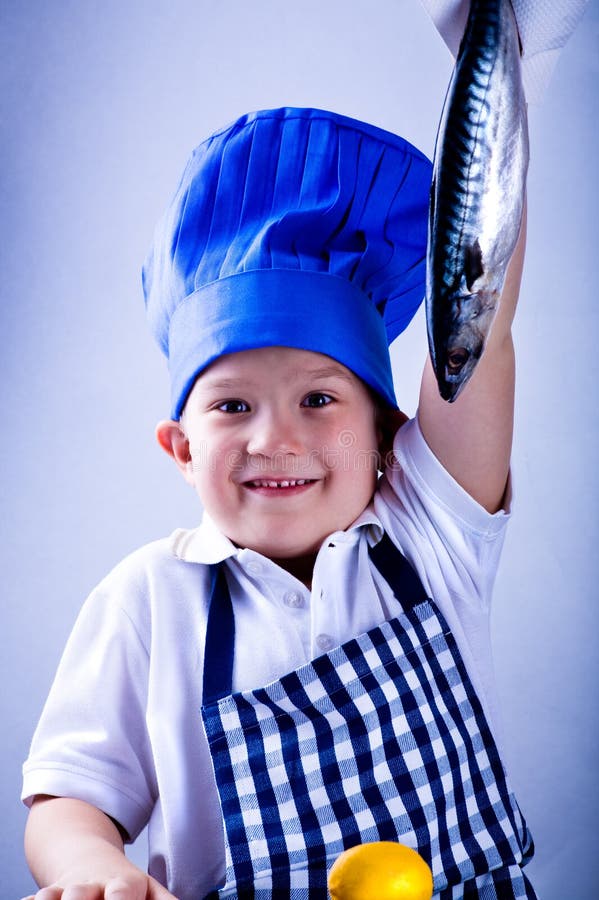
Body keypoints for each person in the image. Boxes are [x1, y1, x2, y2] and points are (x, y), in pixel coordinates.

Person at [21, 107, 536, 899]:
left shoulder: (433, 532)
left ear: (388, 435)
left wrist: (508, 71)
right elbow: (70, 797)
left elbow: (482, 318)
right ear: (182, 450)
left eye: (320, 399)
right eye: (232, 407)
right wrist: (95, 868)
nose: (274, 438)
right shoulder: (147, 601)